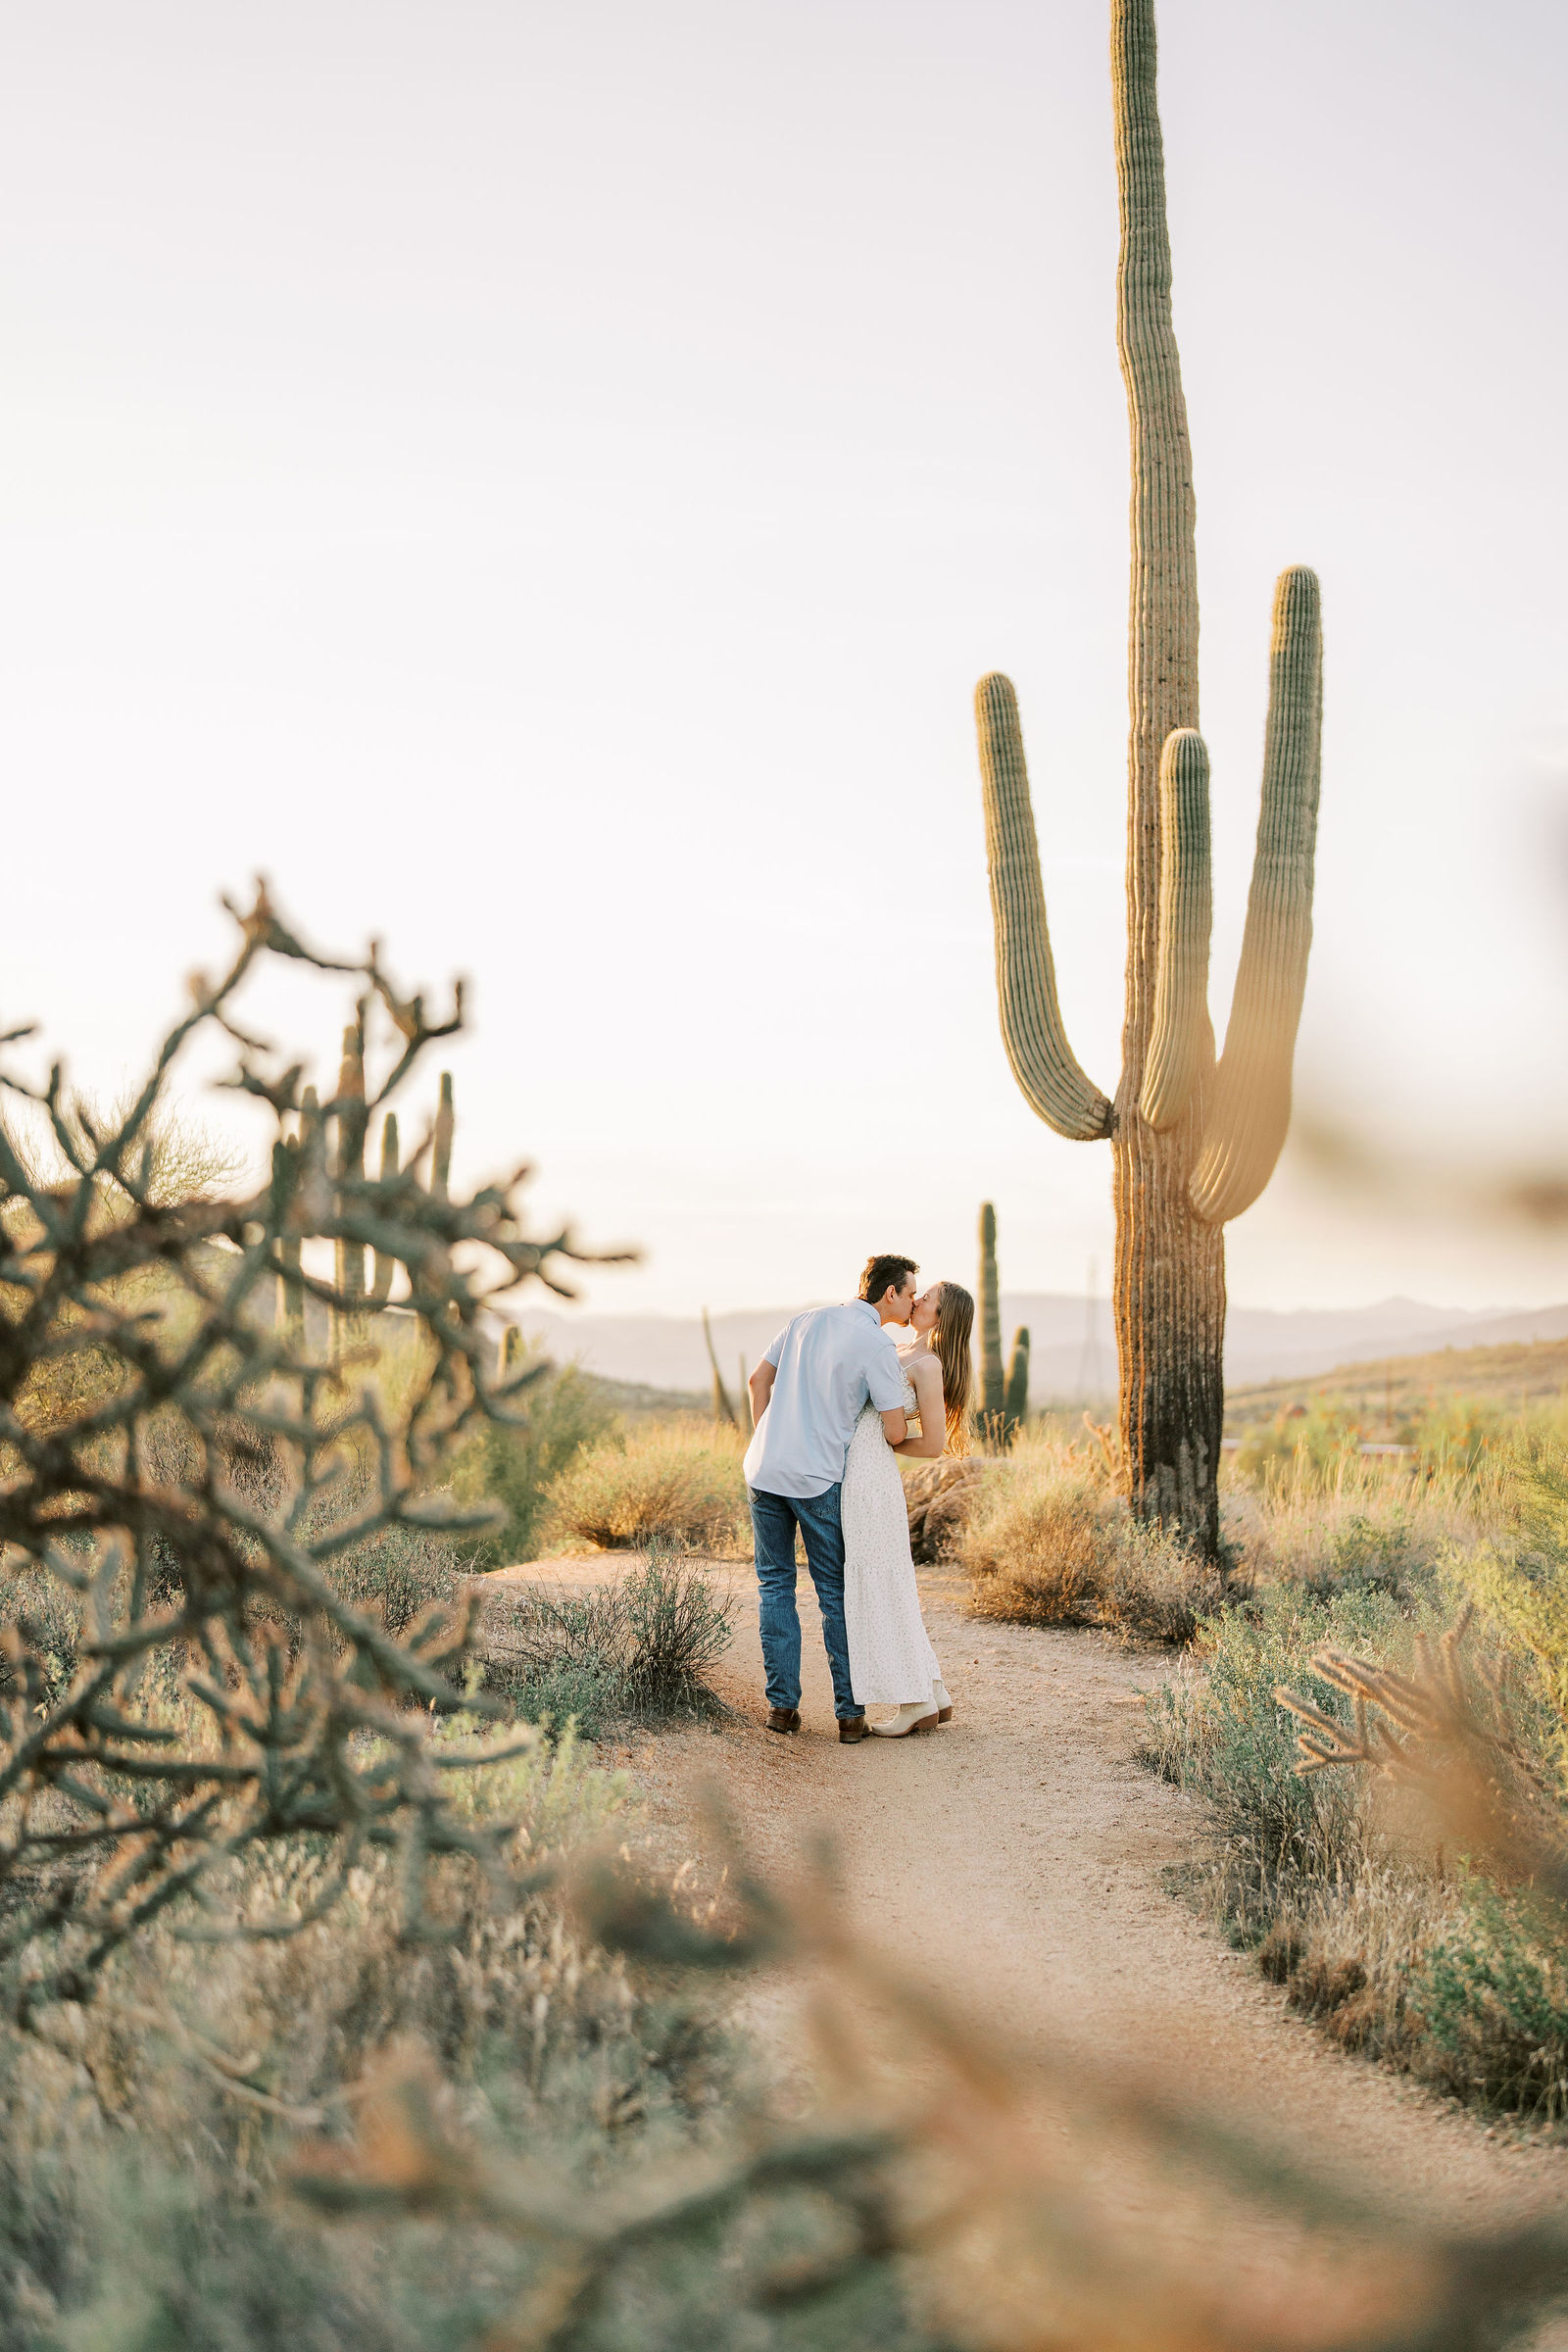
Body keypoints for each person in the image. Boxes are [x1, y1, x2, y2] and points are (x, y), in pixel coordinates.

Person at [745, 1254, 916, 1744]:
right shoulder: (876, 1344)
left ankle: (782, 1708)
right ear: (890, 1293)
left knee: (775, 1585)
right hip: (818, 1477)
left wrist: (768, 1438)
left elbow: (758, 1380)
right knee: (834, 1593)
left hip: (764, 1469)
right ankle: (849, 1715)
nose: (912, 1302)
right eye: (910, 1293)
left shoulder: (806, 1319)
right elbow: (894, 1429)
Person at [842, 1279, 973, 1737]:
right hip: (863, 1469)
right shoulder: (899, 1349)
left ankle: (913, 1701)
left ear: (942, 1317)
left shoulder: (929, 1365)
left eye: (928, 1298)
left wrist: (881, 1444)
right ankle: (932, 1689)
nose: (917, 1300)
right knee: (886, 1578)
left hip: (871, 1477)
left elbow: (934, 1444)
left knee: (879, 1581)